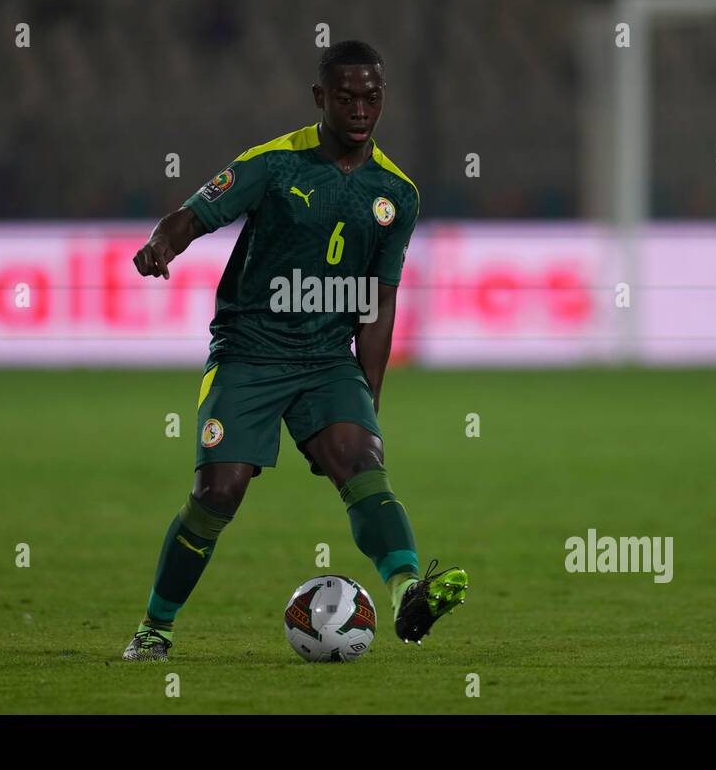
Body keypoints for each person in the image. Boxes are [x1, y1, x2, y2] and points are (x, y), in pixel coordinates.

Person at [124, 40, 467, 661]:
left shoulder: (397, 195)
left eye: (372, 97)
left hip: (327, 361)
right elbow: (193, 215)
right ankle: (155, 628)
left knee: (362, 463)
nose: (361, 109)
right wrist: (160, 245)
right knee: (217, 493)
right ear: (320, 99)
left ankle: (407, 590)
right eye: (346, 97)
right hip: (249, 352)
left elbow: (379, 301)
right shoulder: (273, 164)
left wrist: (369, 395)